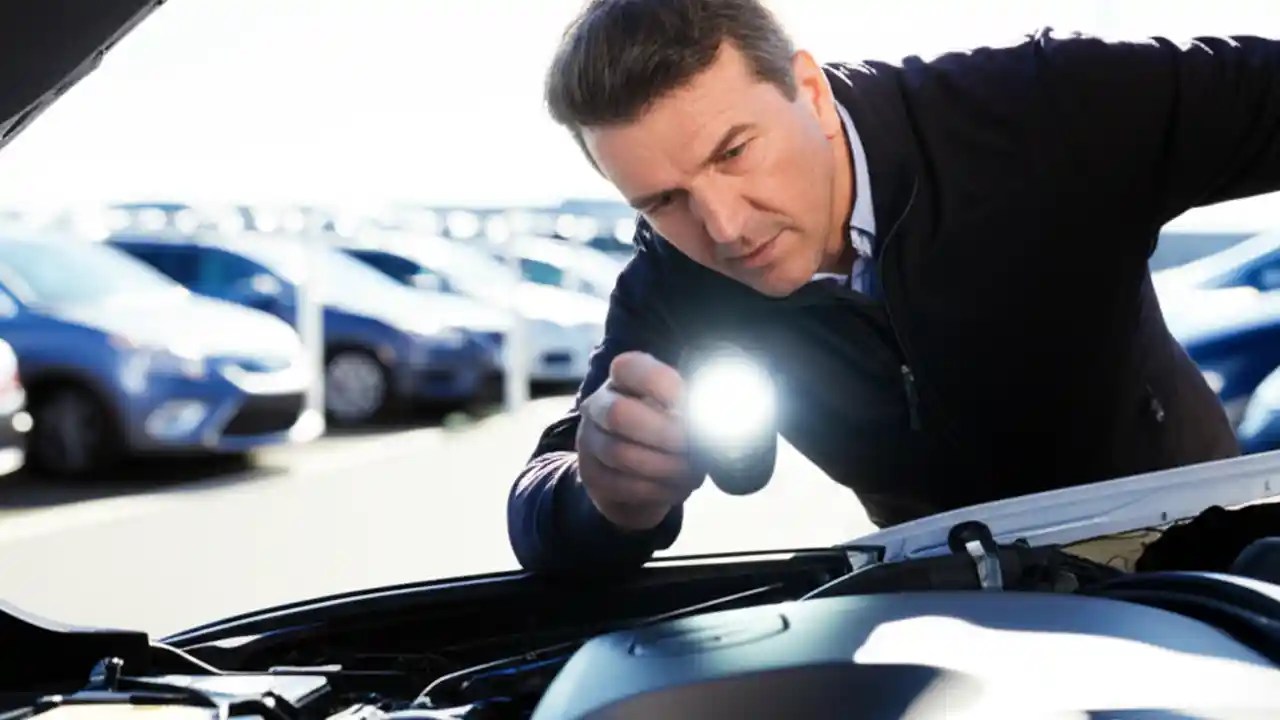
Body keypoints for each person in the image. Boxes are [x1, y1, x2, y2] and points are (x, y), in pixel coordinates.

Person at [507, 0, 1280, 574]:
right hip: (944, 614)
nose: (724, 228)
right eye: (662, 201)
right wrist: (600, 492)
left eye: (736, 152)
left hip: (1195, 561)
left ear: (807, 89)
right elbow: (545, 498)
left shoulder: (1041, 108)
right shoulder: (672, 284)